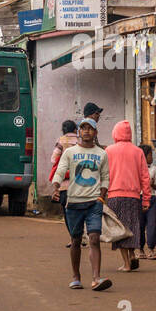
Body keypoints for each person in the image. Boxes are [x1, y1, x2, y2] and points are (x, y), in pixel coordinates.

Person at [52, 118, 111, 292]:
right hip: (74, 203)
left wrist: (102, 195)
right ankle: (76, 277)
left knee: (94, 238)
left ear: (95, 133)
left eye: (90, 128)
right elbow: (60, 170)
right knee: (76, 240)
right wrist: (56, 187)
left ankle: (96, 278)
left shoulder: (102, 154)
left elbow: (106, 176)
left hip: (94, 202)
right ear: (79, 132)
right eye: (83, 128)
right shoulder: (70, 152)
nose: (86, 131)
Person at [104, 120, 149, 272]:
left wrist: (101, 195)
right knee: (132, 227)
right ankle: (132, 254)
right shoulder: (138, 151)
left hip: (115, 195)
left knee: (120, 230)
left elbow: (104, 175)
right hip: (134, 197)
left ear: (115, 133)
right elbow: (145, 177)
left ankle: (127, 263)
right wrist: (146, 198)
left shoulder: (109, 151)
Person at [140, 144, 156, 260]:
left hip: (151, 198)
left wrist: (152, 184)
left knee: (152, 225)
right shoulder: (136, 168)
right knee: (140, 225)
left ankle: (151, 249)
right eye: (149, 155)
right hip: (140, 198)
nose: (151, 158)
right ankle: (140, 249)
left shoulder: (153, 169)